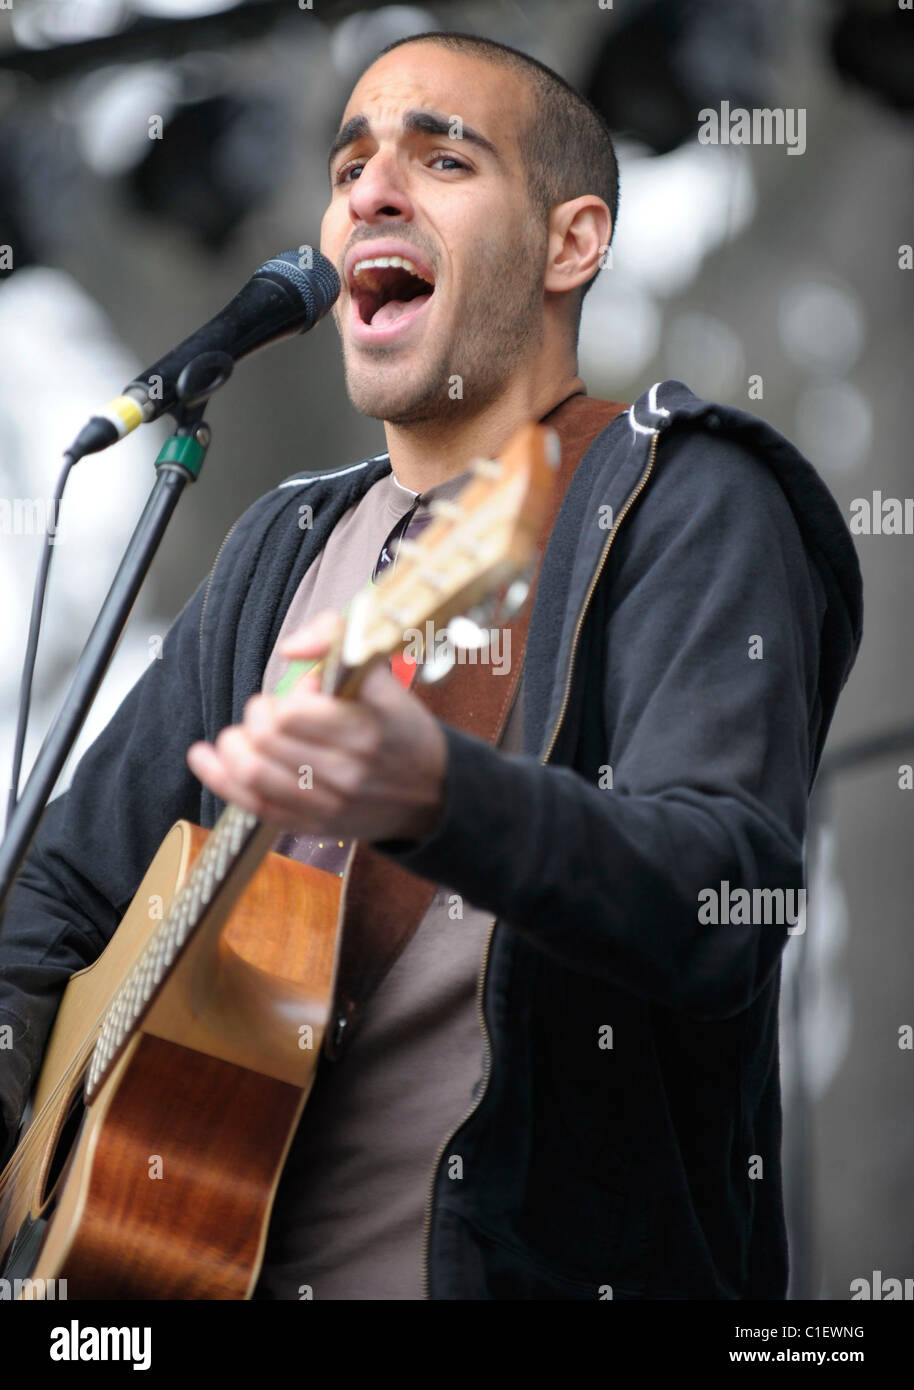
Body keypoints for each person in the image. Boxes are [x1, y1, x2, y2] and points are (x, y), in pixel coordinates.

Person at [0, 32, 862, 1300]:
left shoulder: (682, 500)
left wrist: (442, 798)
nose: (369, 189)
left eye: (440, 157)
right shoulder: (278, 548)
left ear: (570, 243)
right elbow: (58, 899)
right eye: (347, 163)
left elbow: (722, 896)